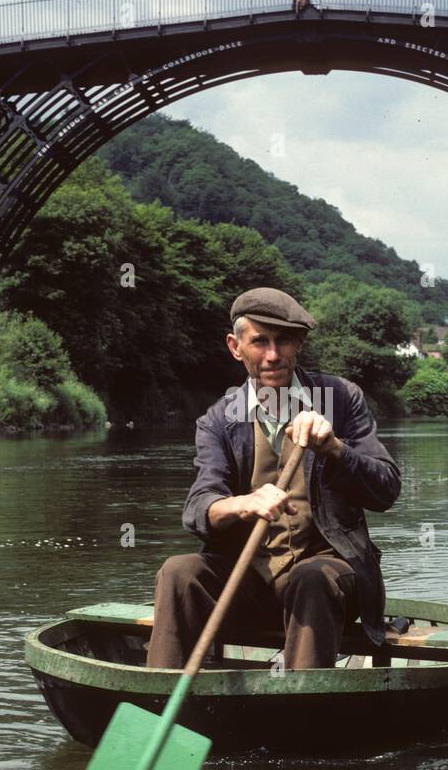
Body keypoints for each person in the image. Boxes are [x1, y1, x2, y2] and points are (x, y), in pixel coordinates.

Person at [146, 287, 401, 671]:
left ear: (299, 343)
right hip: (248, 585)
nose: (272, 355)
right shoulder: (218, 420)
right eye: (259, 341)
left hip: (329, 580)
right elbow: (198, 509)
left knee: (312, 578)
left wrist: (335, 448)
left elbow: (386, 489)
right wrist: (241, 503)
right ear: (235, 347)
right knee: (178, 572)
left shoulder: (340, 398)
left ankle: (302, 711)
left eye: (283, 340)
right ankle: (160, 704)